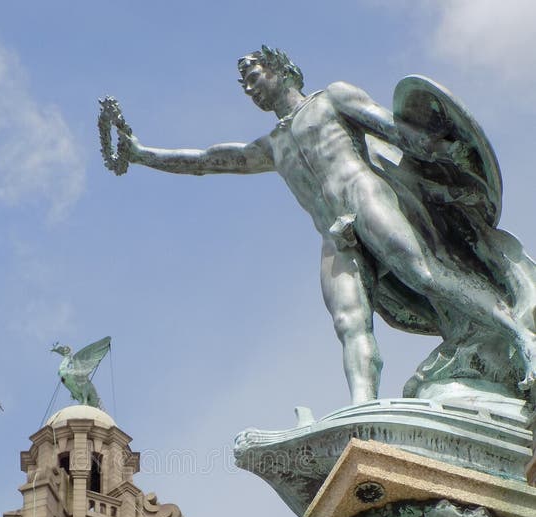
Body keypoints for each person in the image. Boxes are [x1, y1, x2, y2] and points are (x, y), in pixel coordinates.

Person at [113, 47, 536, 404]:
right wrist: (142, 154)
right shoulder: (272, 146)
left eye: (253, 75)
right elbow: (206, 161)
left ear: (282, 69)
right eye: (242, 84)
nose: (248, 87)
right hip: (334, 233)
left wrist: (439, 149)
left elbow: (392, 129)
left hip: (364, 196)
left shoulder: (332, 98)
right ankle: (362, 410)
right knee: (348, 321)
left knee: (425, 273)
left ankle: (522, 337)